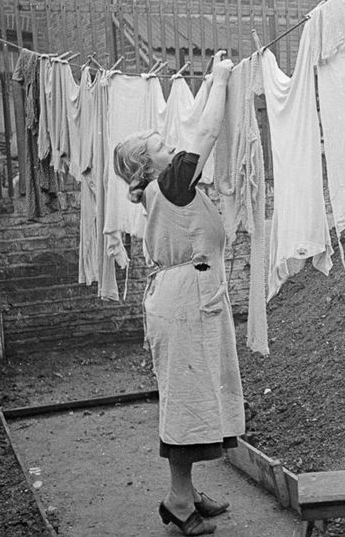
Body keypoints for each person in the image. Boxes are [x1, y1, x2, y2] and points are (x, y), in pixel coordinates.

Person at [113, 51, 242, 536]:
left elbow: (194, 134)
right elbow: (205, 134)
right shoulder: (170, 184)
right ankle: (178, 504)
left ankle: (185, 493)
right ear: (147, 166)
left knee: (193, 399)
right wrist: (224, 79)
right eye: (161, 146)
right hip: (185, 303)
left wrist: (212, 78)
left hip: (188, 297)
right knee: (186, 401)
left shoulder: (164, 185)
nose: (172, 147)